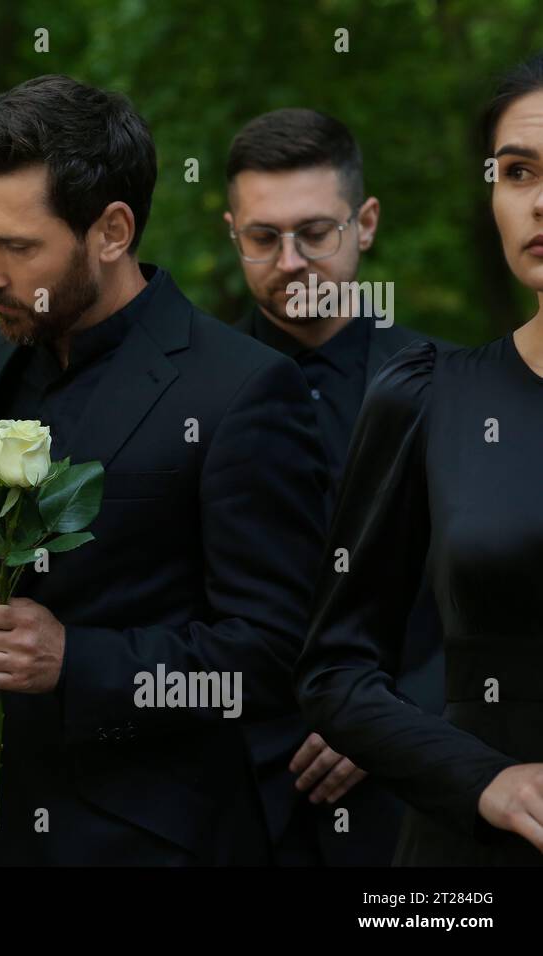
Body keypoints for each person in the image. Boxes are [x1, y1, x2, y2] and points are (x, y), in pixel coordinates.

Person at [0, 75, 329, 865]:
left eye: (17, 247)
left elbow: (267, 662)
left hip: (150, 843)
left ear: (112, 231)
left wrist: (76, 661)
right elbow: (5, 576)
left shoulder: (242, 390)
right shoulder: (2, 352)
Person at [297, 53, 543, 865]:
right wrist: (485, 780)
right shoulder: (429, 397)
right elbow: (336, 670)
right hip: (467, 863)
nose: (539, 201)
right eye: (516, 172)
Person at [223, 108, 448, 865]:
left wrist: (388, 719)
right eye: (263, 237)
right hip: (236, 800)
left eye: (316, 233)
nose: (290, 261)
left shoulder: (453, 386)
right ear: (233, 233)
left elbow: (498, 598)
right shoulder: (192, 387)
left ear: (367, 223)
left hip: (413, 796)